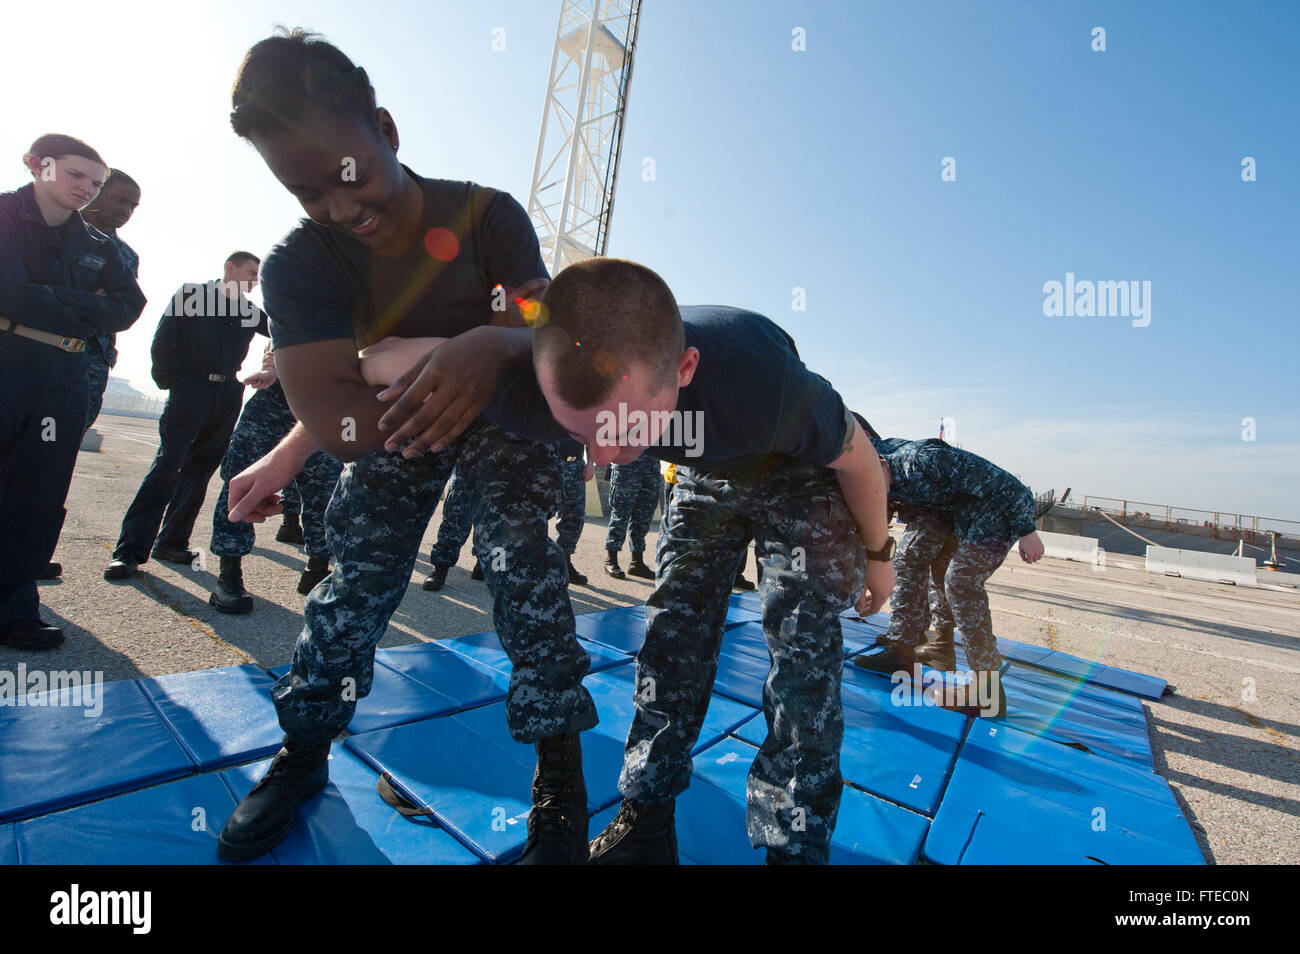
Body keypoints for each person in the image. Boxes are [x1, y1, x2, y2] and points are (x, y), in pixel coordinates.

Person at [360, 257, 896, 865]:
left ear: (683, 370)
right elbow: (390, 355)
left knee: (803, 651)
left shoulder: (769, 387)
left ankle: (794, 849)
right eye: (588, 433)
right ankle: (646, 821)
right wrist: (359, 358)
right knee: (672, 634)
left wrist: (879, 557)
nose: (609, 454)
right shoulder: (555, 373)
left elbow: (859, 462)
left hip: (800, 471)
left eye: (624, 428)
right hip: (705, 468)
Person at [213, 29, 596, 865]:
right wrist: (444, 355)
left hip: (504, 417)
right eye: (304, 191)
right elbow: (335, 419)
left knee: (524, 566)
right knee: (357, 580)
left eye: (346, 173)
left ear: (385, 131)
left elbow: (547, 327)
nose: (339, 205)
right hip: (390, 430)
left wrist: (490, 348)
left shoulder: (486, 213)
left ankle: (560, 779)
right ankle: (304, 748)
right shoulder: (302, 264)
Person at [1, 135, 146, 649]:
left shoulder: (99, 246)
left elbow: (127, 307)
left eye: (95, 182)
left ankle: (16, 610)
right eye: (75, 176)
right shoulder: (6, 216)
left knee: (37, 495)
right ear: (39, 166)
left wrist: (50, 302)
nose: (86, 189)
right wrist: (84, 302)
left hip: (63, 370)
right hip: (8, 360)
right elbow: (9, 290)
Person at [853, 436, 1046, 718]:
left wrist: (1027, 532)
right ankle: (933, 650)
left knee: (962, 581)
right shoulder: (884, 474)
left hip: (1000, 509)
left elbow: (1005, 485)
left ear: (878, 464)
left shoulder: (921, 461)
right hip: (962, 514)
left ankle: (986, 691)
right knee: (936, 569)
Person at [103, 252, 267, 579]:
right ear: (229, 268)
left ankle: (172, 542)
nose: (254, 281)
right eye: (250, 273)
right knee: (168, 465)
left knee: (198, 472)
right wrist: (172, 382)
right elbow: (164, 338)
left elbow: (287, 331)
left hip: (226, 395)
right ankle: (130, 551)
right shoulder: (194, 295)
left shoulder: (249, 312)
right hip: (189, 390)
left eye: (257, 276)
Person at [208, 345, 343, 612]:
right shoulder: (306, 303)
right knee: (243, 484)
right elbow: (282, 335)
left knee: (327, 490)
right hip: (275, 403)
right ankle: (229, 576)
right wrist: (271, 370)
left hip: (324, 406)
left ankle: (317, 570)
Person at [78, 168, 142, 434]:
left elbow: (123, 309)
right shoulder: (51, 233)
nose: (126, 210)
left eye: (132, 205)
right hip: (32, 352)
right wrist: (87, 300)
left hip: (91, 361)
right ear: (95, 191)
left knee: (61, 446)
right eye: (119, 199)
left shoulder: (126, 255)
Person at [421, 464, 483, 591]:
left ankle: (489, 567)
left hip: (507, 459)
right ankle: (440, 568)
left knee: (500, 522)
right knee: (456, 515)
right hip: (471, 457)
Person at [603, 455, 659, 580]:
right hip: (626, 466)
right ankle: (611, 560)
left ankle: (637, 563)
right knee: (621, 514)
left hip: (651, 467)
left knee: (643, 516)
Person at [553, 438, 591, 585]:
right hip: (553, 463)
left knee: (575, 517)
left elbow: (590, 437)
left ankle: (564, 563)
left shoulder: (583, 415)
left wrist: (590, 464)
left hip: (576, 466)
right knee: (538, 516)